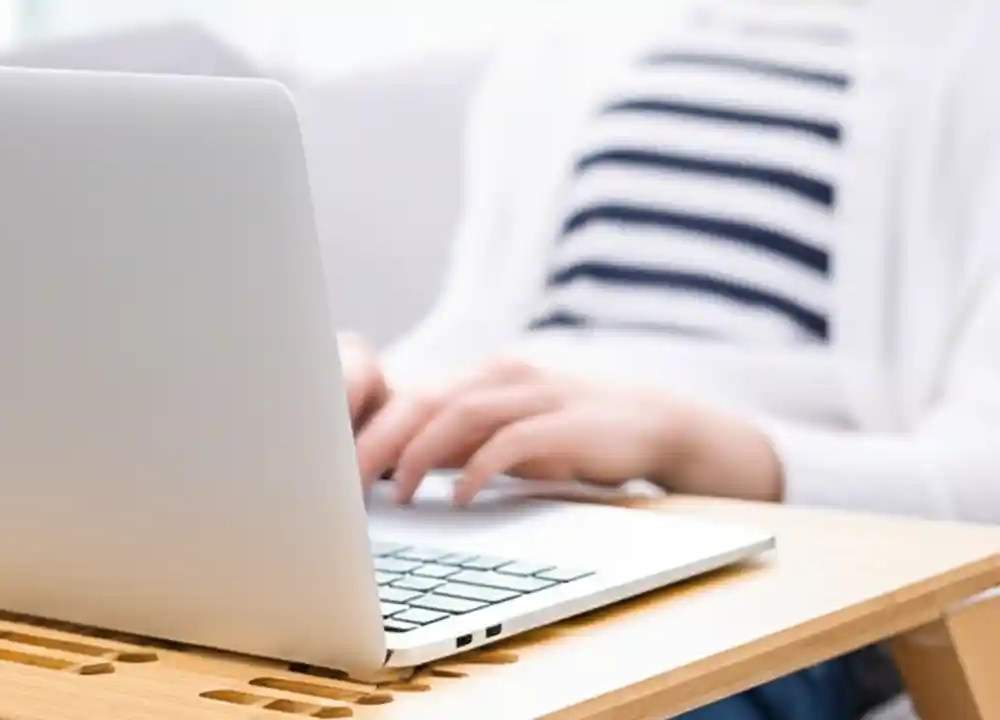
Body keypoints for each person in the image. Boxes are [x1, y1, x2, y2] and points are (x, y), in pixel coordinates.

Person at [336, 0, 1000, 717]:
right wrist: (371, 395)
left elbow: (980, 480)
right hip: (483, 521)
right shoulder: (569, 40)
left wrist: (687, 444)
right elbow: (475, 340)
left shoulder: (971, 51)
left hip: (757, 564)